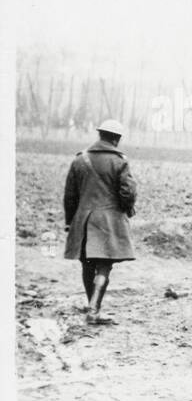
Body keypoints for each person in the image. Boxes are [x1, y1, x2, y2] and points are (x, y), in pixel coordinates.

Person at [63, 117, 137, 325]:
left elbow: (70, 196)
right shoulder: (120, 161)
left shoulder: (80, 160)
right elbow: (128, 192)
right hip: (108, 221)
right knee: (104, 266)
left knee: (87, 265)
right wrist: (126, 209)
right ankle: (94, 310)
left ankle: (91, 305)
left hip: (83, 222)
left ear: (100, 135)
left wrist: (70, 222)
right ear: (117, 139)